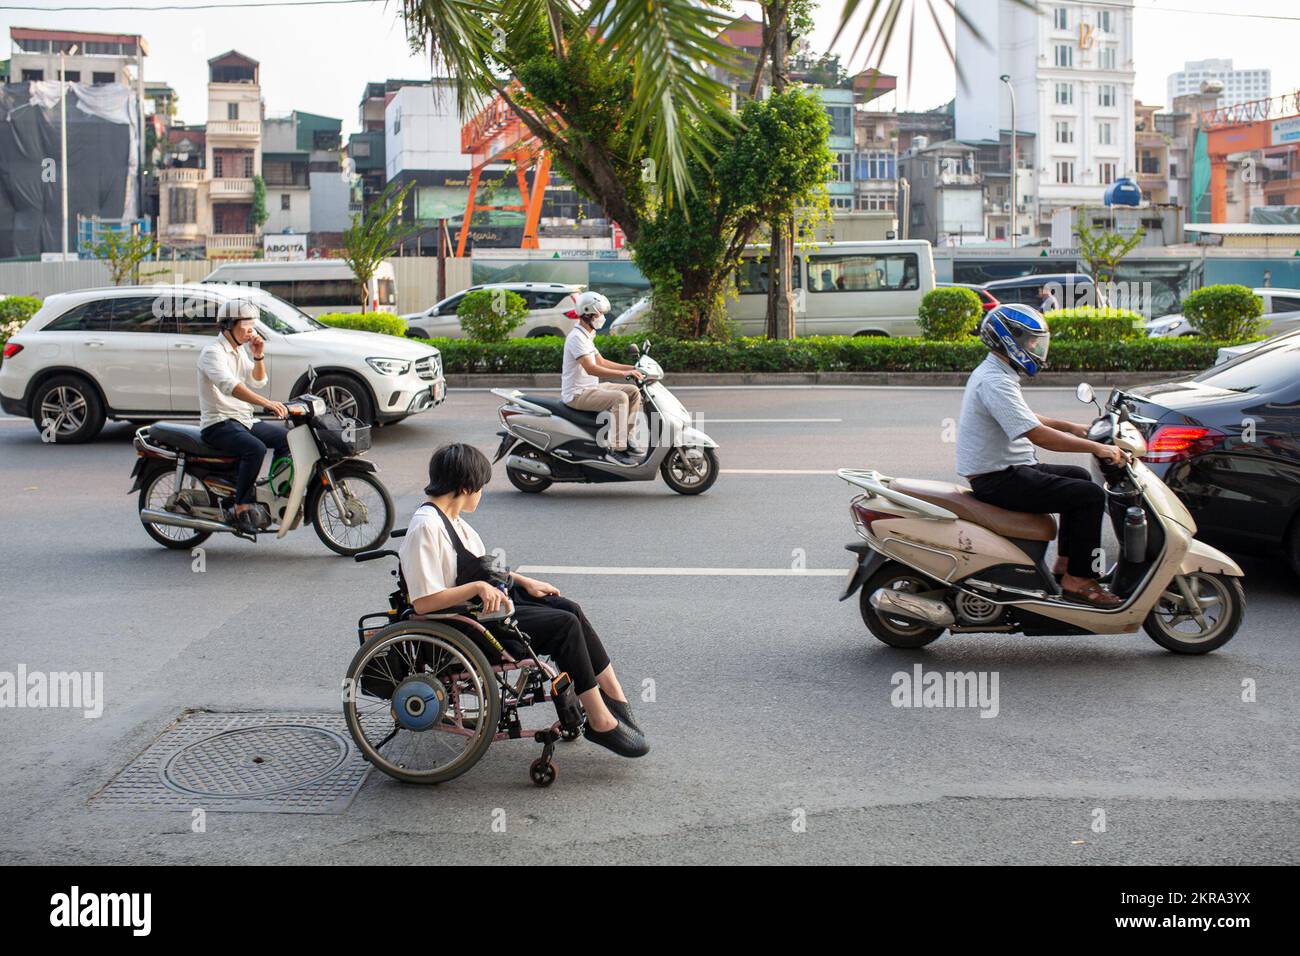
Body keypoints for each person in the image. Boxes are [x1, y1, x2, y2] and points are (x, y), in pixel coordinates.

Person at [398, 443, 649, 758]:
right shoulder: (426, 527)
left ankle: (615, 699)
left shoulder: (456, 523)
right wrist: (476, 587)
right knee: (564, 626)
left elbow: (483, 574)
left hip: (480, 612)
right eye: (480, 487)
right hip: (464, 628)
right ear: (464, 487)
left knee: (570, 608)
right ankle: (598, 719)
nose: (482, 494)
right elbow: (423, 603)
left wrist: (523, 581)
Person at [955, 304, 1128, 608]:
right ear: (1010, 339)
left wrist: (1074, 427)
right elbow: (1037, 434)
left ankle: (1065, 566)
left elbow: (1025, 417)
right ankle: (1079, 581)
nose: (1035, 347)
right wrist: (1097, 448)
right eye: (1030, 341)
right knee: (1088, 496)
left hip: (1008, 469)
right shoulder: (994, 380)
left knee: (1079, 477)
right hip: (998, 478)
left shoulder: (997, 372)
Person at [197, 299, 290, 534]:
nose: (251, 330)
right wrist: (267, 403)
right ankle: (241, 506)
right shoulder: (212, 353)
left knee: (288, 438)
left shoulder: (239, 351)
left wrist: (258, 356)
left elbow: (257, 380)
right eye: (246, 324)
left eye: (253, 324)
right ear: (228, 325)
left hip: (243, 420)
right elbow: (231, 386)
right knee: (255, 449)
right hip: (219, 423)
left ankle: (274, 492)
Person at [561, 291, 645, 464]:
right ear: (587, 313)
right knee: (620, 398)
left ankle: (627, 439)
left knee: (633, 391)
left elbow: (602, 361)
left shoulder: (587, 335)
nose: (603, 317)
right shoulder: (576, 337)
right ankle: (616, 449)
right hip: (577, 394)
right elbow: (592, 368)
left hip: (591, 388)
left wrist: (633, 368)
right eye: (600, 314)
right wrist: (624, 374)